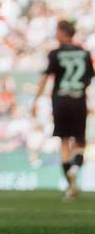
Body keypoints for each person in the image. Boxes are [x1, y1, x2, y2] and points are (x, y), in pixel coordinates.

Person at [32, 19, 93, 198]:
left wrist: (35, 100)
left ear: (63, 33)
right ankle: (75, 167)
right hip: (78, 99)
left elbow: (45, 78)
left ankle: (69, 185)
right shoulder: (84, 53)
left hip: (60, 101)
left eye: (57, 31)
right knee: (80, 141)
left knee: (64, 142)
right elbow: (88, 79)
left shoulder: (55, 54)